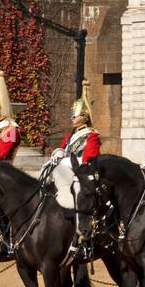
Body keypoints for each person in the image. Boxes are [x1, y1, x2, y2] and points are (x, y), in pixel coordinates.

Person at [45, 83, 101, 245]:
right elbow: (63, 149)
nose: (72, 118)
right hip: (66, 173)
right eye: (72, 115)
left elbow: (87, 159)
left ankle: (78, 233)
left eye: (75, 115)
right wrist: (57, 153)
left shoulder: (91, 135)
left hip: (81, 175)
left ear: (84, 116)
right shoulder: (72, 136)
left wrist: (64, 160)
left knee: (76, 196)